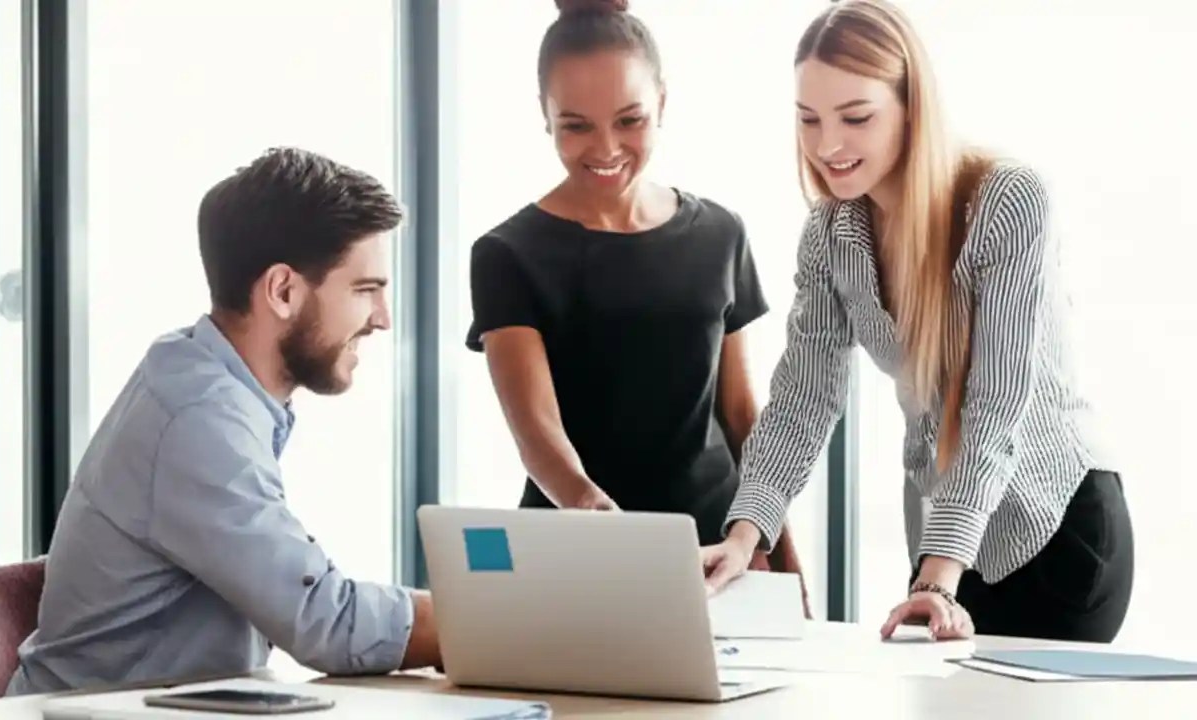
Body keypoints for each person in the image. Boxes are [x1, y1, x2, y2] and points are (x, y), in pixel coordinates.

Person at [700, 0, 1133, 644]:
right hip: (946, 548)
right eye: (809, 119)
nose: (827, 145)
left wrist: (937, 578)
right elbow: (802, 398)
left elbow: (995, 405)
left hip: (1055, 529)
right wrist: (744, 536)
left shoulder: (1008, 202)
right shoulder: (829, 234)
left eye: (856, 117)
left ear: (912, 107)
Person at [6, 147, 440, 695]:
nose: (383, 318)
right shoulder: (198, 420)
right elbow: (325, 621)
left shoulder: (199, 377)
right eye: (365, 290)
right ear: (282, 291)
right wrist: (491, 623)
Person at [465, 0, 808, 602]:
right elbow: (539, 436)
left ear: (662, 104)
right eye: (576, 125)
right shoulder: (507, 254)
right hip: (579, 548)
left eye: (630, 120)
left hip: (717, 555)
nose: (606, 148)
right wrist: (611, 528)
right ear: (545, 115)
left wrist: (786, 560)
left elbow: (740, 415)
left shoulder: (720, 233)